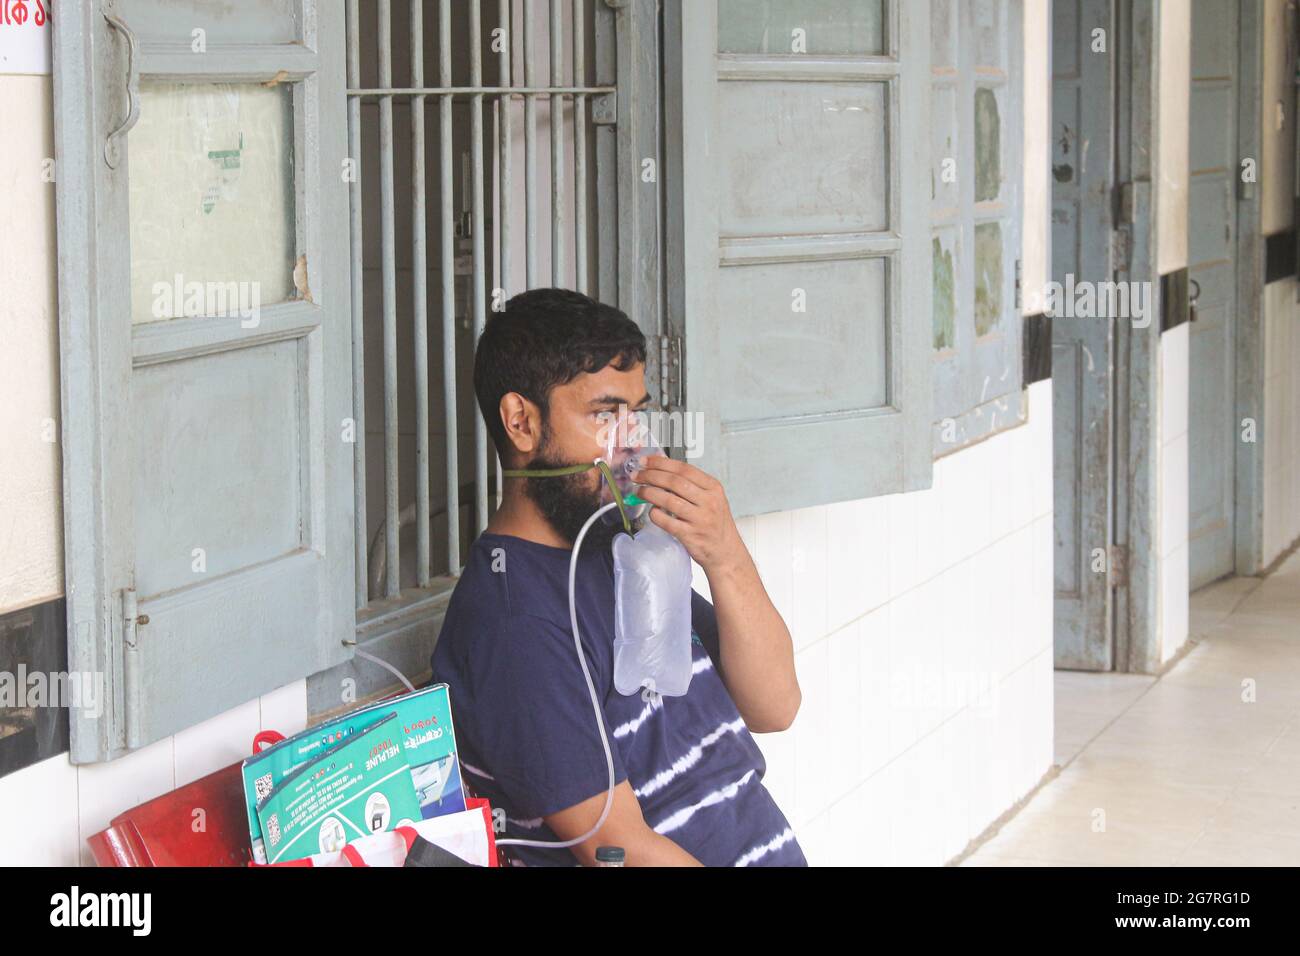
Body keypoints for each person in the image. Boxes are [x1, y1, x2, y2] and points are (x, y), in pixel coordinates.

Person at [431, 288, 806, 866]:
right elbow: (620, 850)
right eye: (605, 415)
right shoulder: (515, 619)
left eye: (638, 413)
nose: (632, 441)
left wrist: (725, 554)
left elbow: (775, 707)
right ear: (521, 423)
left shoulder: (624, 549)